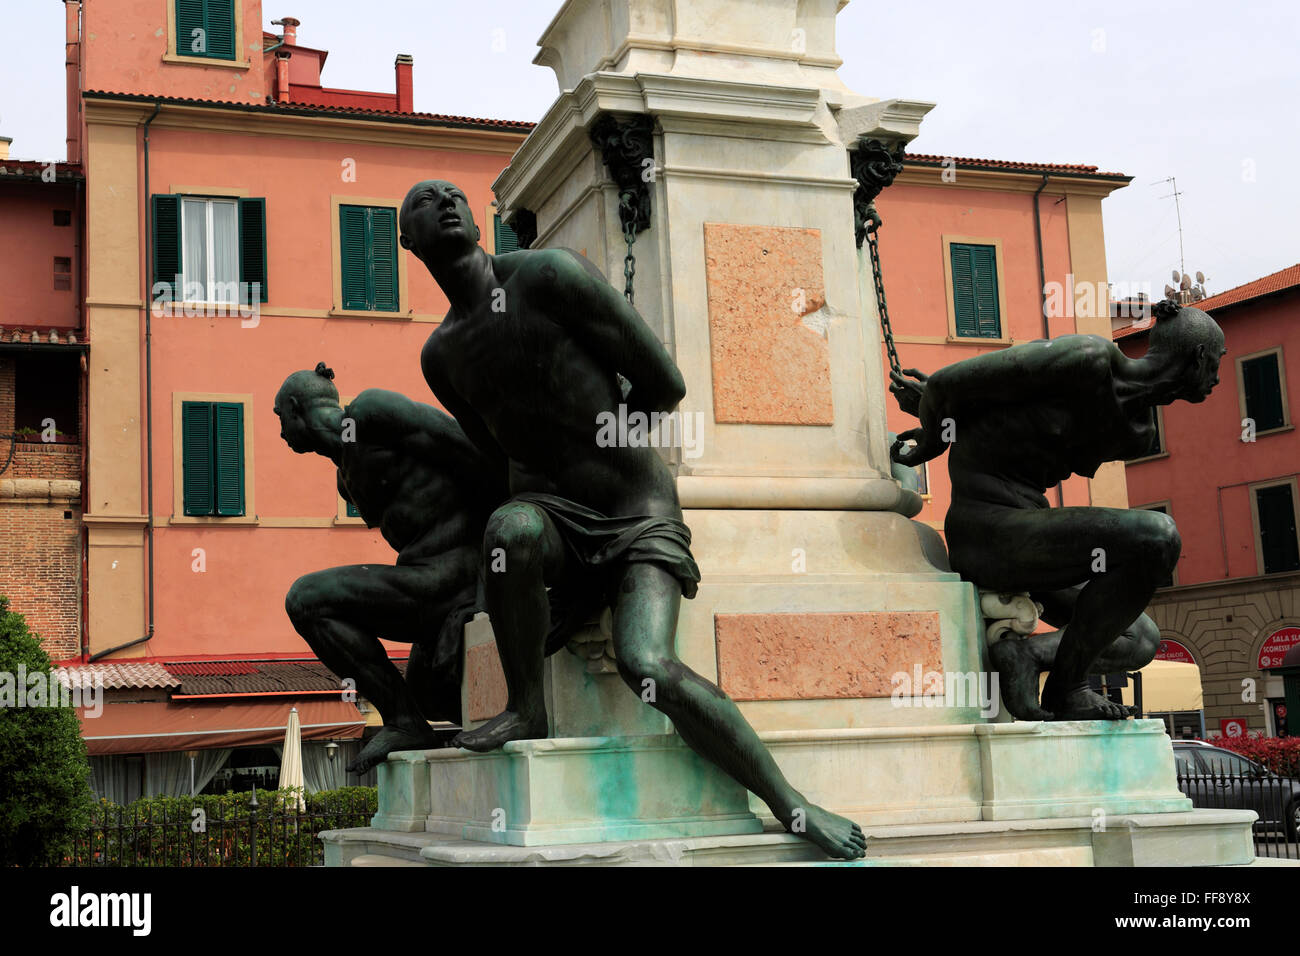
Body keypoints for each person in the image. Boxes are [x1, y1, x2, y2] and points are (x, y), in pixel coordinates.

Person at [402, 179, 866, 860]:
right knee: (509, 529)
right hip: (553, 520)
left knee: (645, 661)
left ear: (477, 220)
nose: (444, 200)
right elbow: (497, 455)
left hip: (632, 507)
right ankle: (525, 705)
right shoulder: (441, 358)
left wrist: (607, 448)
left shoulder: (549, 277)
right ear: (409, 241)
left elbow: (664, 383)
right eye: (422, 199)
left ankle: (790, 805)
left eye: (453, 192)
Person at [890, 299, 1225, 720]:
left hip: (1028, 539)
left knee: (1139, 639)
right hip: (984, 529)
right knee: (1157, 535)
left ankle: (1025, 656)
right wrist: (934, 438)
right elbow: (945, 388)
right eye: (1217, 361)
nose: (1217, 377)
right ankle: (1069, 690)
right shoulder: (1086, 359)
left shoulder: (1137, 433)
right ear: (1197, 357)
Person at [276, 363, 505, 773]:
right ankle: (408, 718)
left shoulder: (372, 414)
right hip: (427, 583)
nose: (280, 433)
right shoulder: (346, 479)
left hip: (459, 571)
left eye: (280, 419)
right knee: (431, 692)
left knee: (306, 599)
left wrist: (486, 597)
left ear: (295, 409)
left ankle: (402, 721)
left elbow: (486, 461)